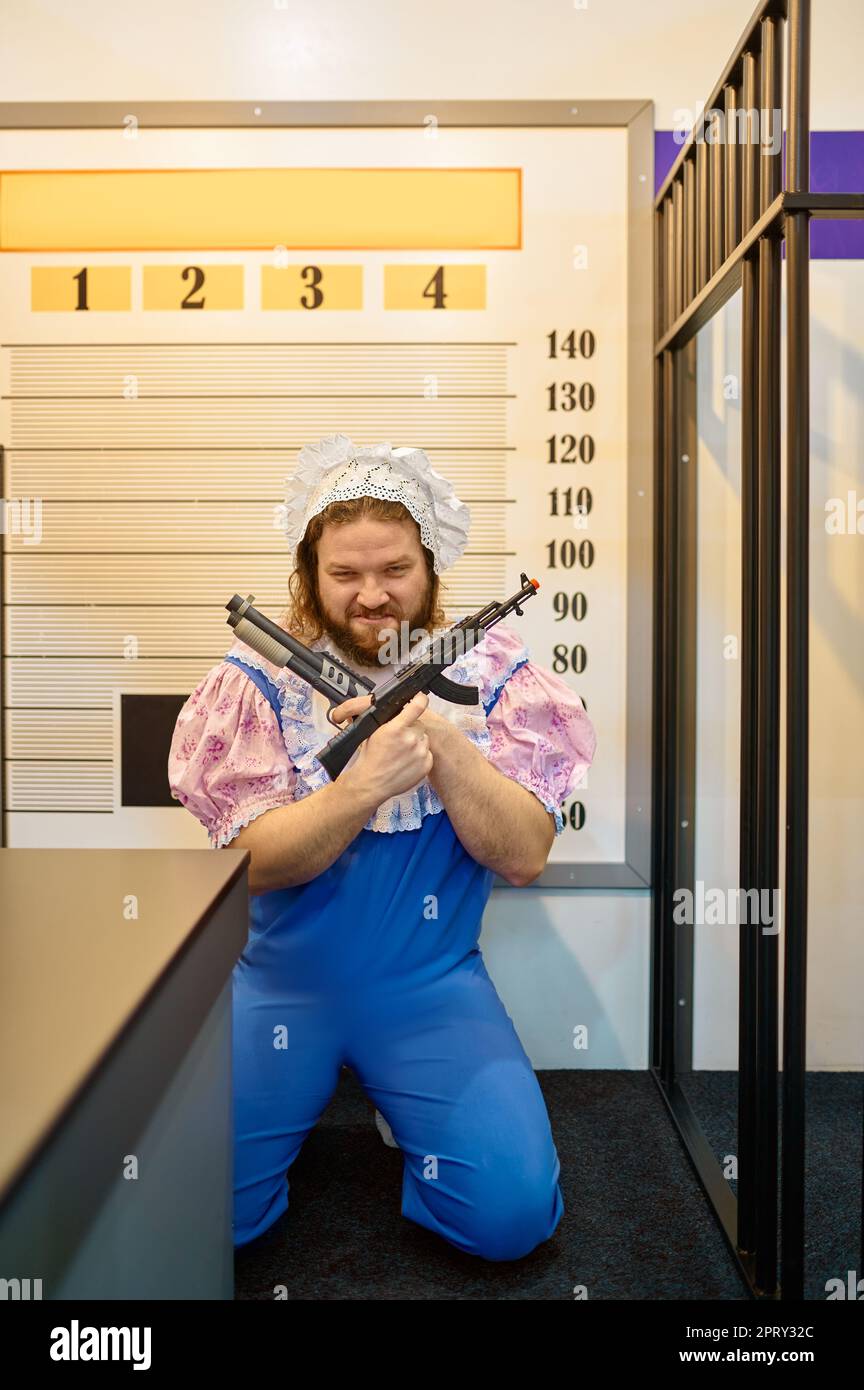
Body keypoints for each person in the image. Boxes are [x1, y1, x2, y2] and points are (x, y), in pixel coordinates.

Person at [168, 433, 597, 1262]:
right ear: (309, 572)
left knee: (509, 1218)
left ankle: (413, 1112)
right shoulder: (255, 681)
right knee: (194, 1221)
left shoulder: (498, 673)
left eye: (395, 569)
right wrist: (362, 786)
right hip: (279, 990)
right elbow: (253, 863)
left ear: (432, 565)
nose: (373, 596)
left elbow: (525, 856)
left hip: (432, 989)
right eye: (345, 574)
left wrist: (438, 739)